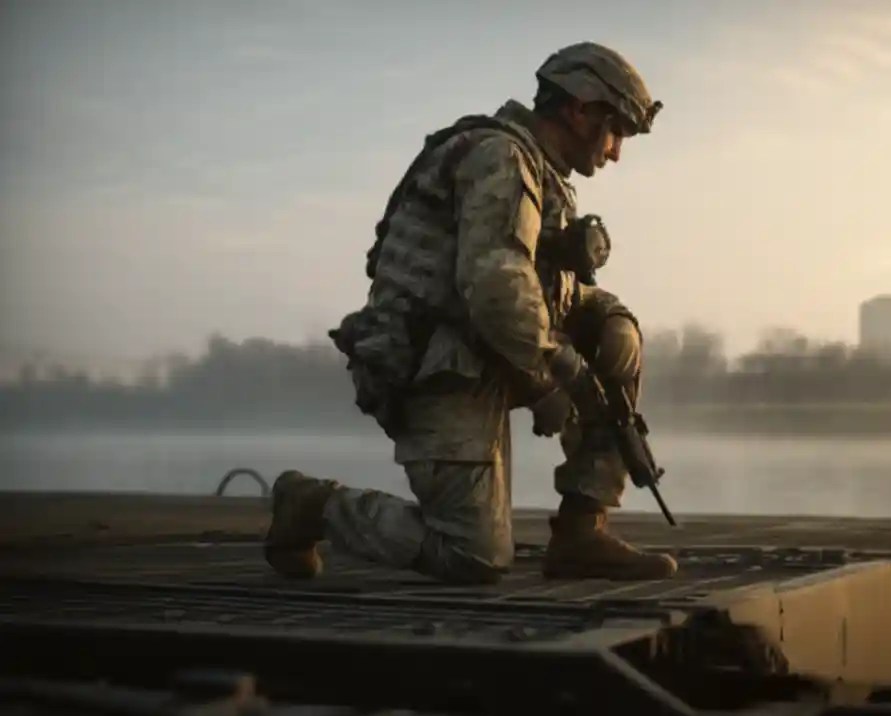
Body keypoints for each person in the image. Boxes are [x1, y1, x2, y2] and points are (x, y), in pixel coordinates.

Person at [263, 42, 677, 585]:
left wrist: (609, 322)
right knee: (473, 556)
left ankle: (581, 534)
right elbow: (496, 287)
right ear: (580, 109)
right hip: (438, 364)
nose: (617, 150)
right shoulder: (500, 160)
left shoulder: (542, 173)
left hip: (491, 348)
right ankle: (312, 506)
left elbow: (548, 291)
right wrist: (555, 377)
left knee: (617, 333)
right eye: (615, 129)